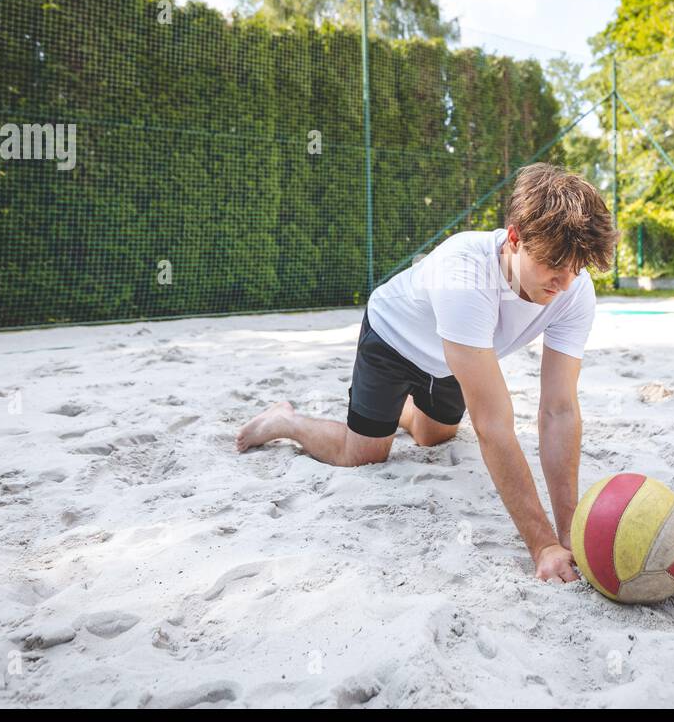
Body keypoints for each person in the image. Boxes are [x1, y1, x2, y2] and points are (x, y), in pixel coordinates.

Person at [237, 163, 618, 582]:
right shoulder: (465, 275)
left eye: (576, 270)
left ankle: (397, 412)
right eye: (554, 267)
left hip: (454, 356)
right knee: (365, 453)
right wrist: (542, 545)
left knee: (432, 435)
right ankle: (285, 420)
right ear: (514, 238)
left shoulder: (573, 290)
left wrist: (570, 535)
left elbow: (559, 411)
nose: (565, 284)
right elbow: (493, 424)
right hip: (394, 340)